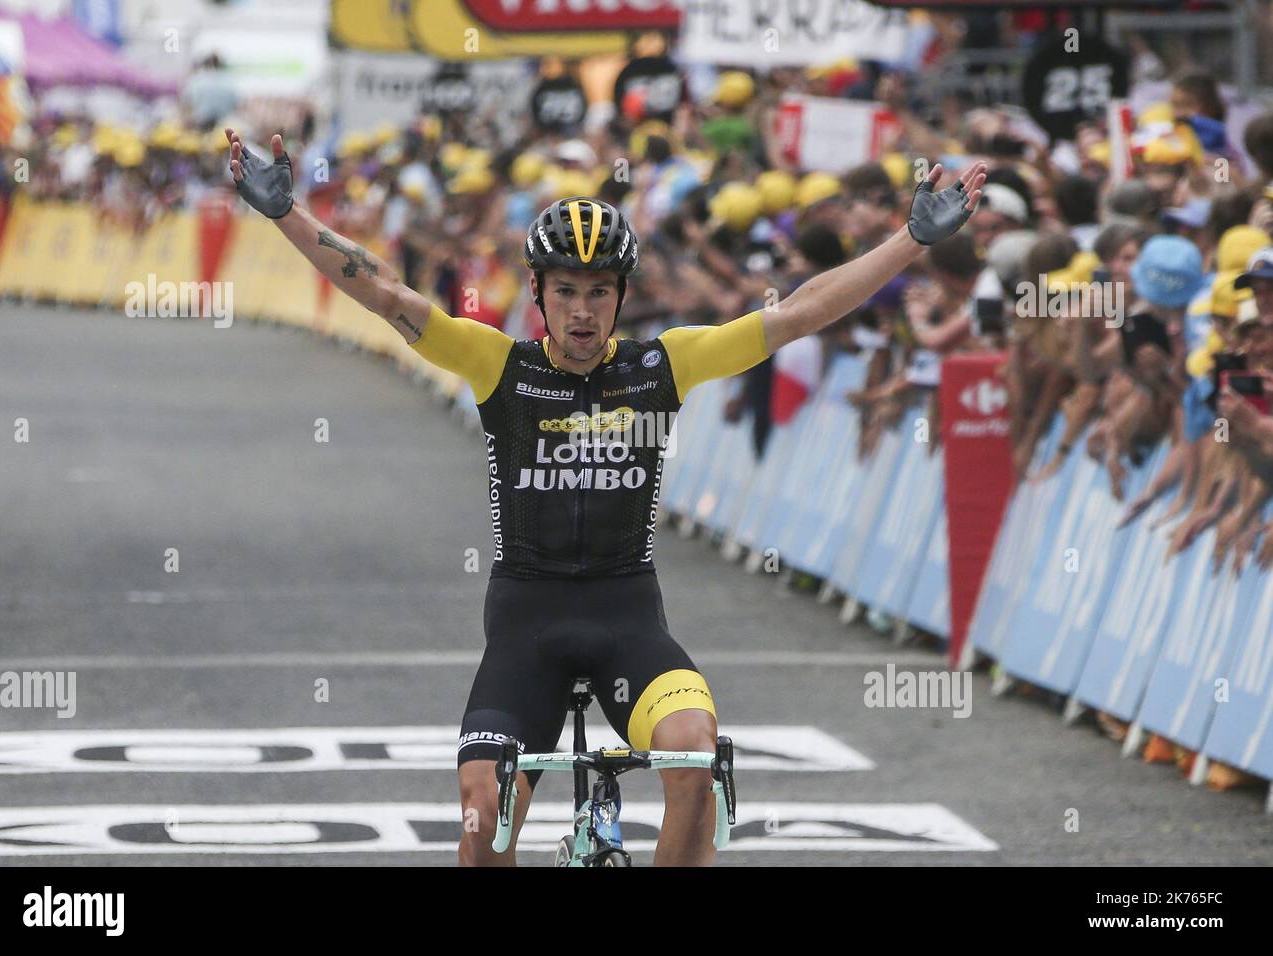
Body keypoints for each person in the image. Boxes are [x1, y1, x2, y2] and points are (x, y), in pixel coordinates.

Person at [224, 127, 986, 866]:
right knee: (482, 811)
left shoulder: (665, 365)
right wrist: (287, 212)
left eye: (597, 292)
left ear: (621, 296)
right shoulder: (497, 366)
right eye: (565, 292)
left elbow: (798, 313)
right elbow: (383, 291)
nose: (581, 312)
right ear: (538, 292)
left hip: (629, 621)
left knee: (695, 753)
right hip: (527, 630)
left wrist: (911, 242)